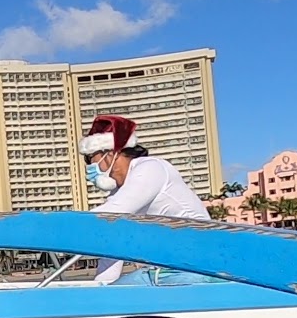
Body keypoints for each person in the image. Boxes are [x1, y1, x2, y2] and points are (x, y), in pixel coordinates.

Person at [78, 114, 218, 286]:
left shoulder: (151, 168)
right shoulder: (120, 192)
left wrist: (57, 227)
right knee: (112, 296)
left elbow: (109, 215)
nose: (89, 166)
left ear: (109, 153)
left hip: (194, 268)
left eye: (89, 158)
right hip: (160, 272)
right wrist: (99, 294)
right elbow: (113, 244)